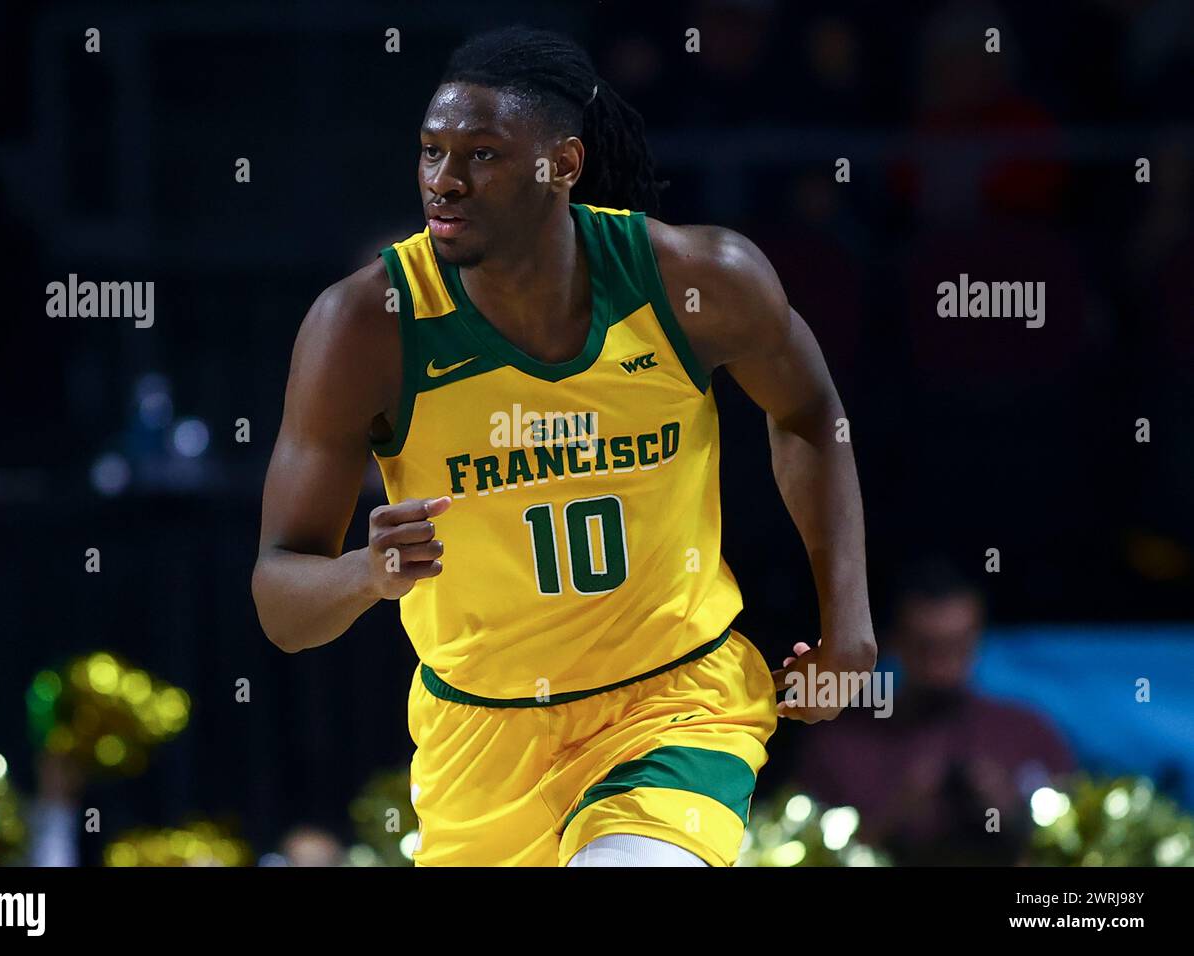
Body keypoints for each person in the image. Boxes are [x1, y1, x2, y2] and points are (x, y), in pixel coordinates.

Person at [252, 26, 874, 867]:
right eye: (431, 152)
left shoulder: (693, 280)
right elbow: (279, 602)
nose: (445, 181)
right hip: (479, 740)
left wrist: (851, 626)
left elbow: (810, 414)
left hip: (675, 700)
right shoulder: (364, 327)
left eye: (482, 155)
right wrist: (366, 573)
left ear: (564, 165)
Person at [793, 558, 1076, 865]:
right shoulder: (838, 745)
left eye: (957, 647)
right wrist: (894, 815)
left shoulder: (1027, 733)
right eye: (926, 648)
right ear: (892, 641)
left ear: (978, 636)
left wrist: (1011, 809)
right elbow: (805, 852)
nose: (942, 670)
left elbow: (1076, 842)